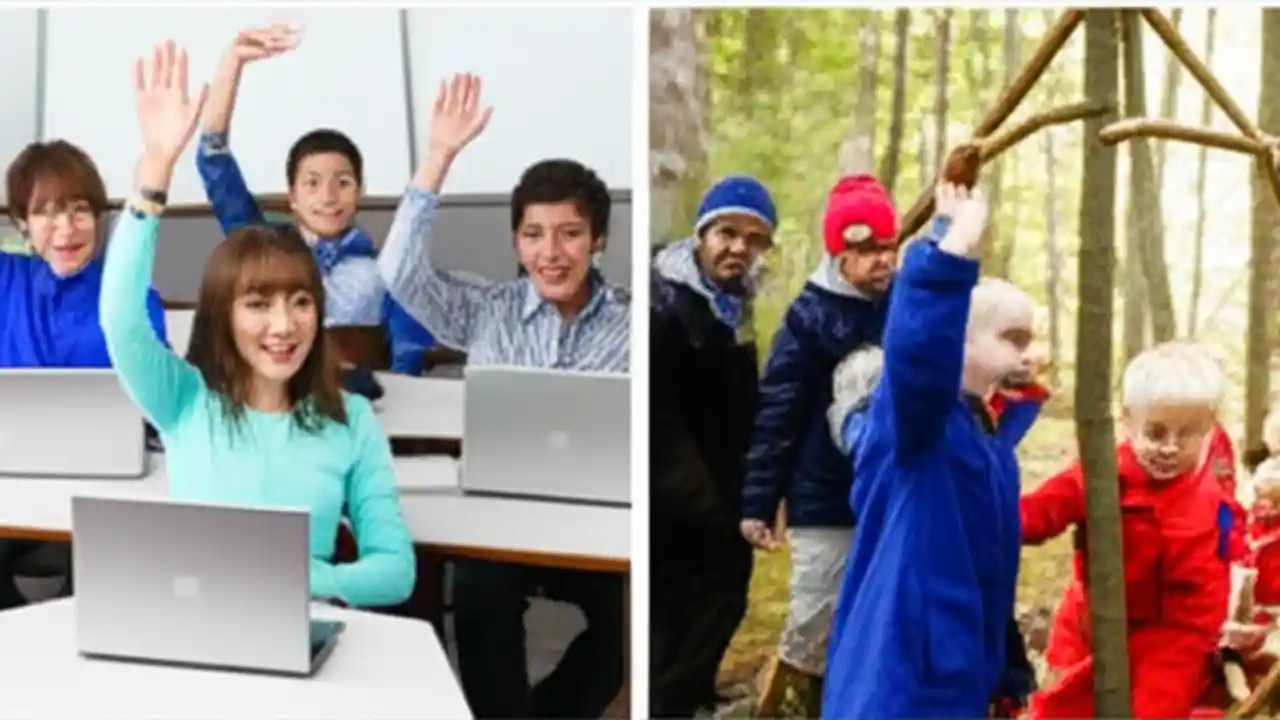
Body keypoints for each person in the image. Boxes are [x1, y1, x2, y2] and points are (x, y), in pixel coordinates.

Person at [99, 39, 415, 608]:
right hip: (194, 621)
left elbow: (395, 571)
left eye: (300, 302)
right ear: (224, 316)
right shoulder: (185, 401)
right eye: (257, 304)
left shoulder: (352, 419)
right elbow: (121, 321)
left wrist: (307, 583)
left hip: (301, 624)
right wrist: (153, 171)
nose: (283, 325)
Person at [377, 73, 628, 718]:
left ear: (598, 239)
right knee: (484, 591)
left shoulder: (632, 325)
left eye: (570, 233)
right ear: (516, 242)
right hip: (499, 513)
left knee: (623, 635)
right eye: (534, 235)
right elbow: (398, 273)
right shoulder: (485, 311)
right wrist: (438, 157)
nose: (551, 252)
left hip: (597, 523)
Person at [823, 182, 1042, 719]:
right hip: (898, 683)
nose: (1032, 352)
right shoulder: (919, 427)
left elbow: (989, 573)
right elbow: (919, 347)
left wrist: (1002, 668)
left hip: (955, 677)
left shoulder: (990, 444)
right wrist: (950, 249)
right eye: (1013, 337)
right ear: (959, 340)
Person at [739, 174, 899, 712]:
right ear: (840, 256)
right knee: (814, 611)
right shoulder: (808, 318)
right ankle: (788, 703)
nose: (882, 260)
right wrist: (760, 502)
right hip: (822, 493)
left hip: (886, 491)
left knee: (875, 610)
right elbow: (777, 413)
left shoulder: (905, 306)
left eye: (888, 247)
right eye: (867, 250)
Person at [194, 25, 434, 378]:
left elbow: (408, 361)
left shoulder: (387, 271)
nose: (328, 197)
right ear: (292, 196)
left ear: (360, 190)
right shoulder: (263, 250)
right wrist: (233, 63)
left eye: (343, 183)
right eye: (312, 184)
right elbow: (214, 160)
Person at [1020, 341, 1236, 719]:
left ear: (1209, 431)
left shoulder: (1214, 489)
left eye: (1186, 434)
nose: (1169, 447)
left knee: (1156, 708)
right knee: (1059, 708)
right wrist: (992, 521)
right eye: (1155, 432)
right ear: (1127, 423)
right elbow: (1042, 510)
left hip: (1172, 635)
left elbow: (1223, 559)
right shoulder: (1104, 475)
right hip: (1091, 621)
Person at [0, 139, 170, 611]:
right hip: (12, 481)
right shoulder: (5, 281)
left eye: (79, 210)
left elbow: (161, 404)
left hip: (109, 487)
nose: (65, 229)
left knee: (108, 595)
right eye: (46, 213)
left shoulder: (129, 294)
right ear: (21, 225)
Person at [650, 175, 776, 718]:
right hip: (677, 503)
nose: (738, 248)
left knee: (722, 603)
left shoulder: (740, 310)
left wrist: (759, 492)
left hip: (725, 496)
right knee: (675, 618)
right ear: (702, 233)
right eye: (727, 232)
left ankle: (692, 693)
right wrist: (708, 507)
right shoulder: (665, 307)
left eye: (753, 239)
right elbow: (661, 421)